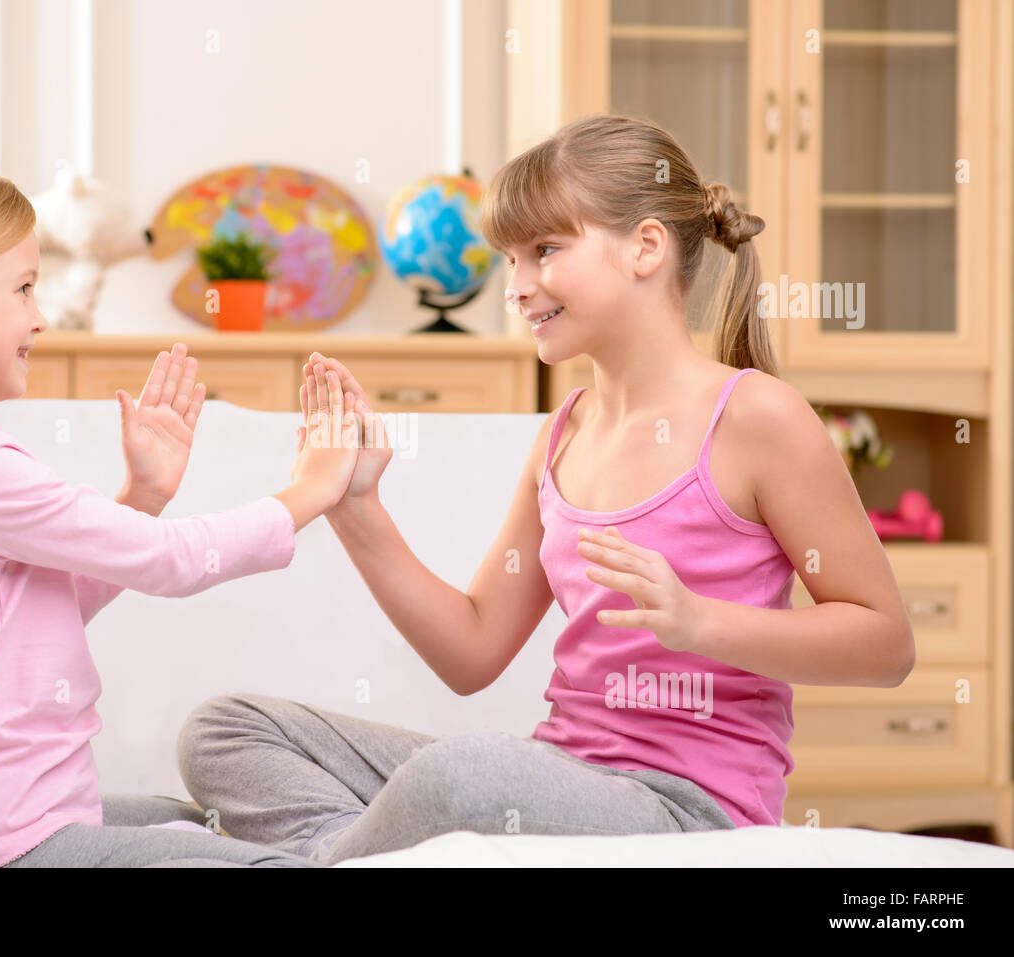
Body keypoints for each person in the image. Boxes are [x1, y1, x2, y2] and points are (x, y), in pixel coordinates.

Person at [176, 113, 916, 865]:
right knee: (224, 731)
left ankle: (282, 852)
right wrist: (356, 506)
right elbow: (472, 651)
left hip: (686, 811)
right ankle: (332, 852)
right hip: (554, 781)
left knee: (460, 781)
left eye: (545, 251)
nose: (519, 286)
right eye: (511, 259)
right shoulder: (563, 434)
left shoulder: (758, 417)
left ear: (646, 248)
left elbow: (885, 643)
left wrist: (700, 622)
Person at [0, 161, 360, 868]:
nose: (40, 316)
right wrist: (312, 489)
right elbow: (172, 560)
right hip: (7, 846)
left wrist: (140, 496)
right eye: (23, 288)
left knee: (189, 819)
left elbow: (22, 624)